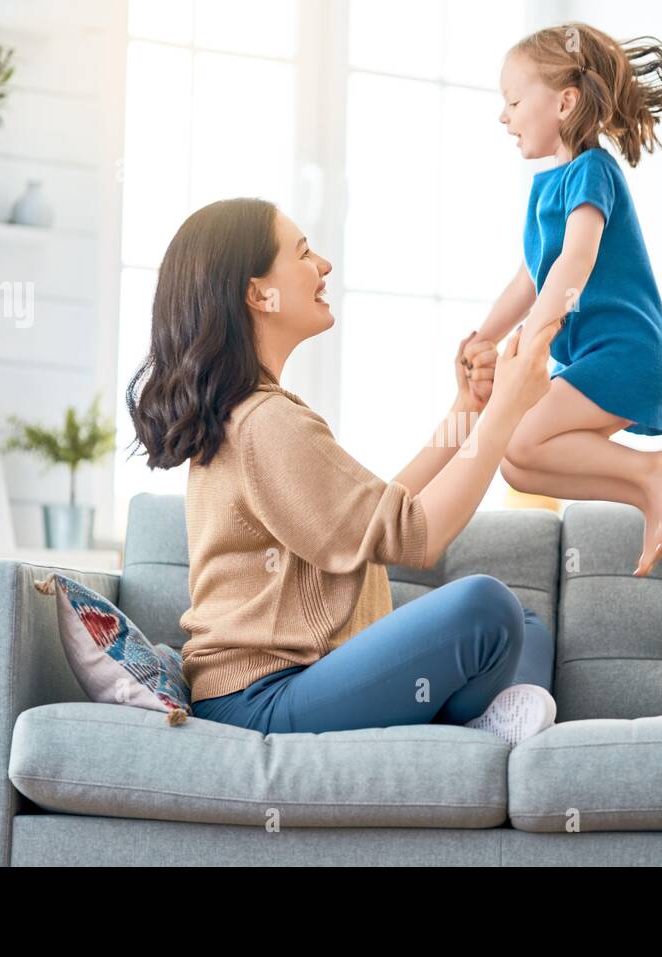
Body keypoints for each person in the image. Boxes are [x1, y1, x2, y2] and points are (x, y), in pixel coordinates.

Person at [125, 197, 561, 746]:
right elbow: (415, 534)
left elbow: (376, 512)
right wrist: (506, 412)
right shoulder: (265, 422)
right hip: (262, 699)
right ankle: (465, 726)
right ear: (259, 293)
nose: (324, 265)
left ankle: (471, 721)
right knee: (488, 608)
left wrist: (468, 412)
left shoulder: (259, 412)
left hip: (296, 687)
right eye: (304, 253)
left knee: (527, 624)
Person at [463, 22, 662, 577]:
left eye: (514, 101)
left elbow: (576, 262)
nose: (504, 116)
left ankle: (656, 468)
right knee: (516, 462)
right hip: (603, 357)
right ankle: (647, 483)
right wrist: (484, 336)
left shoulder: (593, 171)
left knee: (518, 436)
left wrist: (534, 341)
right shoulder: (549, 186)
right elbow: (531, 279)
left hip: (629, 354)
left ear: (564, 103)